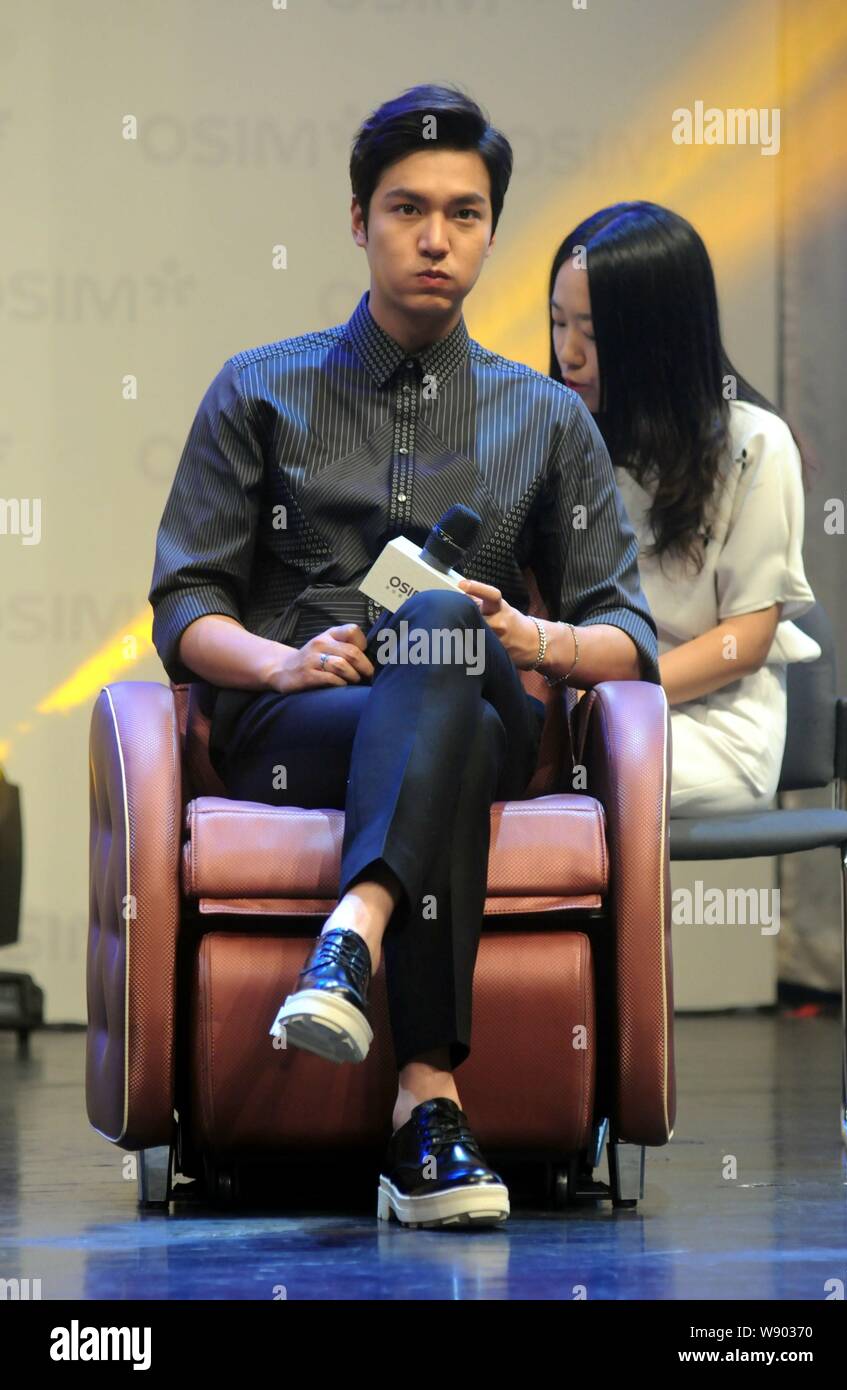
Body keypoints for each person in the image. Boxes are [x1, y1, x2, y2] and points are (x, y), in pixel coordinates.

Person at [148, 87, 660, 1229]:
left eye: (466, 215)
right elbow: (185, 604)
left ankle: (353, 938)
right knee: (454, 728)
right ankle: (425, 1100)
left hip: (477, 686)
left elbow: (625, 637)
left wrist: (526, 636)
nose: (437, 239)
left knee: (445, 626)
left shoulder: (543, 418)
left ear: (491, 228)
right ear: (356, 219)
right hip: (305, 723)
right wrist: (278, 666)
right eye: (407, 210)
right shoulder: (259, 388)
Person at [547, 201, 820, 817]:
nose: (569, 352)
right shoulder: (560, 435)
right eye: (558, 323)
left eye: (592, 332)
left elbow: (745, 641)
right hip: (583, 713)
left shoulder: (754, 446)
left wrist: (615, 702)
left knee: (567, 776)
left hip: (710, 728)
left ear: (657, 340)